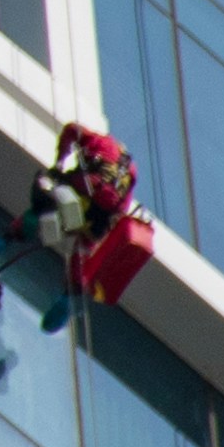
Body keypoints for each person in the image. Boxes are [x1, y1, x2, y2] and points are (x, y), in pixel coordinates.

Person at [30, 121, 155, 308]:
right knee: (83, 245)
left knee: (45, 185)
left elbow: (71, 130)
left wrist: (59, 161)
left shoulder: (101, 142)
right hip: (105, 215)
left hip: (88, 190)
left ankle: (15, 233)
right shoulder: (130, 171)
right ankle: (70, 293)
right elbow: (123, 204)